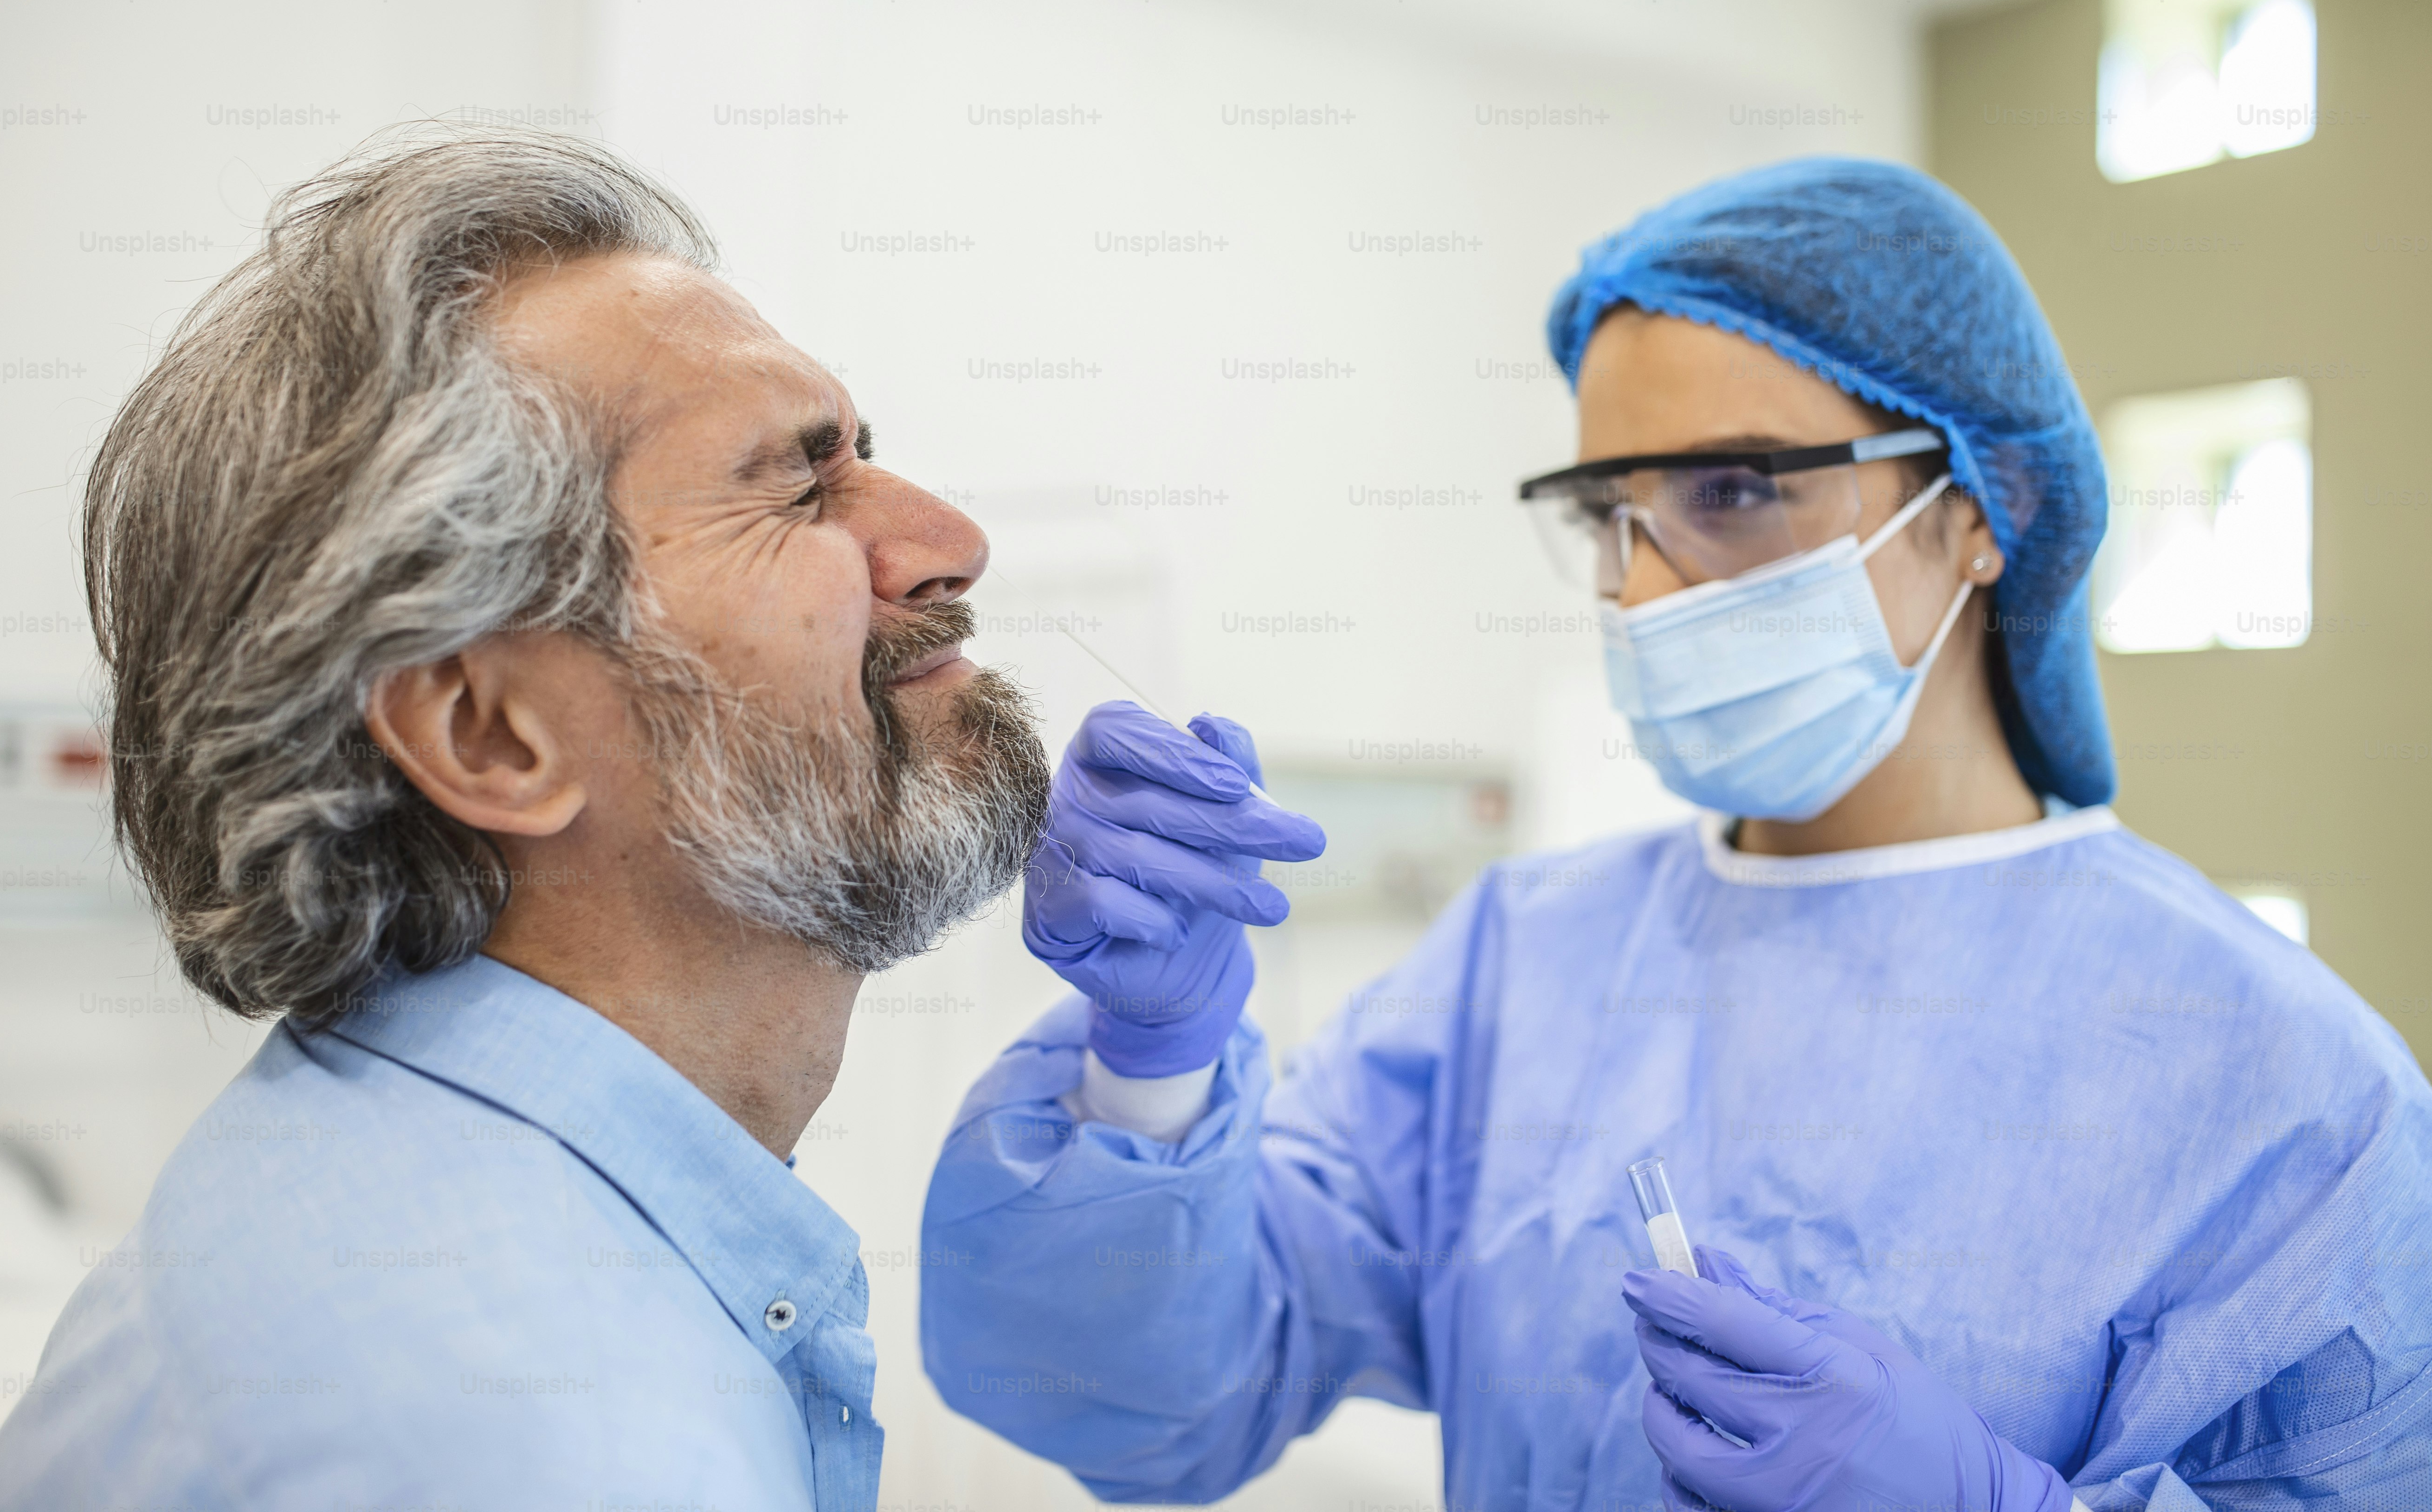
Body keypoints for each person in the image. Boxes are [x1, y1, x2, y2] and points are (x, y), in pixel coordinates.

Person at [919, 159, 2432, 1510]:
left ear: (1985, 505)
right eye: (1611, 516)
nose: (1640, 594)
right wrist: (1148, 1067)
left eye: (1733, 493)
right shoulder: (1525, 966)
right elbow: (1158, 1399)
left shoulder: (2285, 1083)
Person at [0, 127, 1047, 1512]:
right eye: (794, 484)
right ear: (488, 734)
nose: (948, 536)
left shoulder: (396, 1197)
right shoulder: (544, 1436)